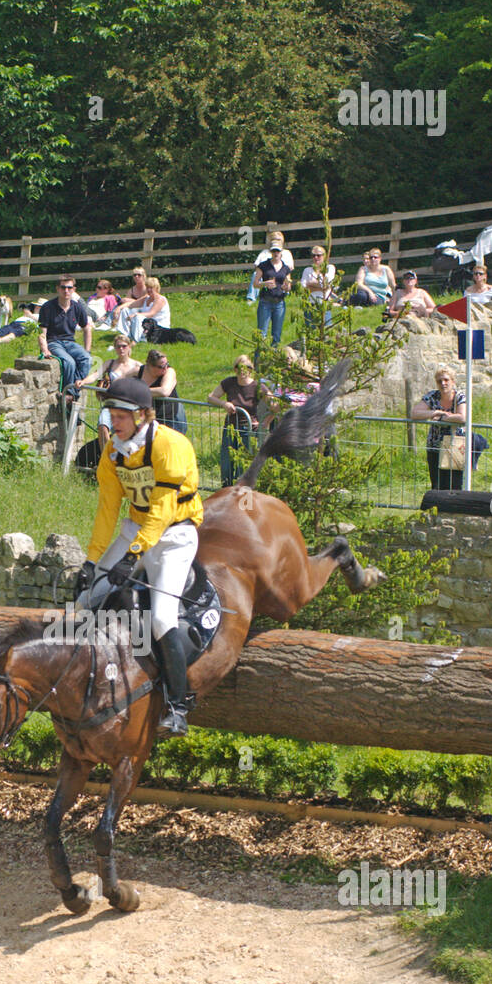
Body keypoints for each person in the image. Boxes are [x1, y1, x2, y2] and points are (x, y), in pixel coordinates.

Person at [72, 376, 203, 737]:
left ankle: (179, 705)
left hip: (175, 535)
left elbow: (162, 510)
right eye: (112, 412)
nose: (115, 420)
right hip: (136, 530)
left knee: (162, 619)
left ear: (144, 415)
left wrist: (133, 556)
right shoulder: (113, 451)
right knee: (86, 600)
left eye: (122, 415)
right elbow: (107, 509)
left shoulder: (170, 445)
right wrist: (91, 560)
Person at [411, 365, 488, 490]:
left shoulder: (460, 396)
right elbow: (415, 413)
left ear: (453, 381)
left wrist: (442, 417)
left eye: (446, 380)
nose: (443, 383)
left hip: (455, 445)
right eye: (439, 381)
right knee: (436, 485)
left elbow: (463, 417)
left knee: (454, 485)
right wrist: (434, 413)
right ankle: (437, 509)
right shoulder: (432, 396)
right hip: (435, 446)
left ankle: (454, 509)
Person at [208, 355, 271, 486]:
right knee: (227, 463)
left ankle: (243, 496)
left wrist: (266, 422)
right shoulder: (229, 382)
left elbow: (275, 405)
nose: (243, 371)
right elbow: (211, 397)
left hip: (248, 430)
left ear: (251, 369)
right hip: (230, 428)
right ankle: (226, 491)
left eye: (247, 368)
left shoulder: (258, 386)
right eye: (239, 368)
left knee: (244, 466)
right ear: (235, 369)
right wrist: (224, 403)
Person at [79, 333, 141, 455]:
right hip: (111, 404)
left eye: (123, 346)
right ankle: (107, 457)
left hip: (130, 405)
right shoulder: (110, 363)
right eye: (118, 346)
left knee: (129, 434)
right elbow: (96, 374)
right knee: (102, 425)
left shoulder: (137, 366)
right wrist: (83, 382)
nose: (121, 349)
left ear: (129, 347)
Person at [37, 274, 92, 401]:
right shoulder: (48, 307)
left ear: (74, 289)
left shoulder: (77, 307)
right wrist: (45, 350)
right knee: (69, 362)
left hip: (70, 342)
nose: (66, 291)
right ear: (58, 289)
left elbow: (87, 328)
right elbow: (42, 332)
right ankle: (69, 394)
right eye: (63, 287)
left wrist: (87, 349)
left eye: (69, 288)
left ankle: (72, 393)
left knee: (87, 359)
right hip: (53, 342)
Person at [135, 348, 188, 434]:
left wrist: (137, 392)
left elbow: (164, 391)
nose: (165, 368)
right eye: (162, 367)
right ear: (150, 366)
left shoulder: (169, 372)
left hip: (170, 420)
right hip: (148, 419)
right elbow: (121, 379)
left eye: (167, 364)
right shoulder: (139, 371)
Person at [253, 243, 291, 343]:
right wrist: (265, 283)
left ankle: (274, 357)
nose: (276, 253)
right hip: (265, 302)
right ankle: (259, 357)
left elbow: (289, 285)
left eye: (277, 251)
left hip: (280, 303)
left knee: (277, 335)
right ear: (271, 252)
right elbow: (255, 284)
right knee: (261, 334)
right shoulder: (263, 265)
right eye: (274, 251)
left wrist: (286, 287)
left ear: (281, 252)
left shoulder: (285, 268)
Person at [116, 276, 171, 343]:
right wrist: (119, 308)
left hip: (158, 327)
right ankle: (125, 335)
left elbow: (151, 313)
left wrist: (136, 314)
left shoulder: (160, 299)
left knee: (138, 317)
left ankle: (137, 340)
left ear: (156, 288)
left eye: (151, 288)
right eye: (147, 287)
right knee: (125, 310)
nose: (149, 290)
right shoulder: (146, 298)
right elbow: (132, 304)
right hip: (146, 324)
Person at [247, 231, 294, 303]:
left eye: (278, 240)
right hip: (266, 275)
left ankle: (283, 292)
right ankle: (251, 297)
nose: (276, 241)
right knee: (255, 275)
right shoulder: (264, 252)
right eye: (274, 239)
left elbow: (290, 267)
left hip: (281, 276)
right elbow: (257, 265)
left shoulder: (287, 253)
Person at [300, 246, 336, 326]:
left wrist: (310, 284)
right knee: (310, 330)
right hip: (310, 304)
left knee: (326, 329)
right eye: (313, 255)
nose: (316, 258)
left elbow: (327, 284)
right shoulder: (307, 270)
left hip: (324, 303)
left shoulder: (330, 268)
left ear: (324, 256)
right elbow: (303, 288)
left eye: (318, 255)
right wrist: (320, 286)